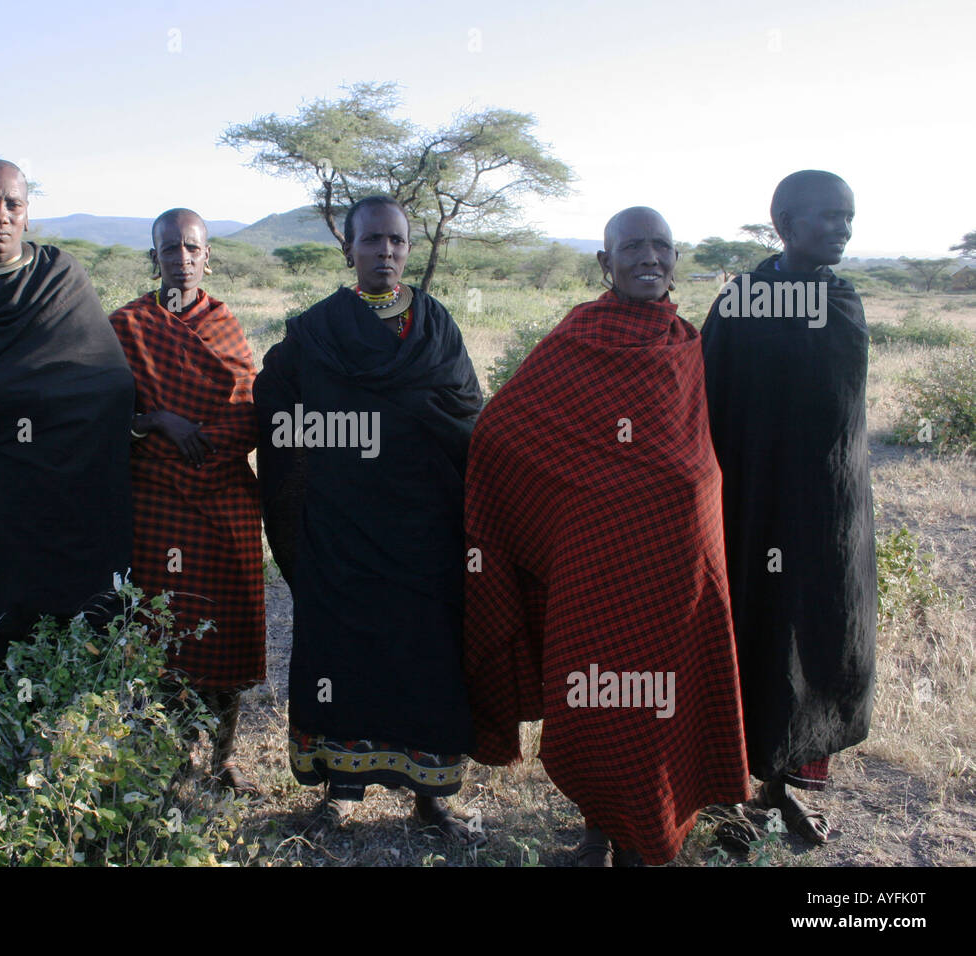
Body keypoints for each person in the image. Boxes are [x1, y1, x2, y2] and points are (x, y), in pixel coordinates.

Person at [462, 207, 750, 866]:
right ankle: (598, 829)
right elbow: (500, 430)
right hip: (598, 565)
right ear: (605, 262)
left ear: (676, 259)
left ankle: (656, 828)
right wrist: (574, 506)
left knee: (667, 698)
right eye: (633, 247)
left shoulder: (687, 341)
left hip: (682, 564)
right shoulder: (578, 338)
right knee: (597, 695)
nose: (650, 257)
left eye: (662, 247)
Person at [255, 195, 483, 843]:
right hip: (342, 525)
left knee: (429, 657)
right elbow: (274, 401)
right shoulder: (318, 329)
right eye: (372, 241)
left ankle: (432, 795)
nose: (385, 252)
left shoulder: (434, 324)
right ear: (348, 249)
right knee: (341, 653)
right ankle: (341, 789)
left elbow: (466, 410)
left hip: (426, 527)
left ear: (409, 249)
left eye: (397, 242)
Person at [700, 171, 874, 845]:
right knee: (751, 636)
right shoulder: (741, 300)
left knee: (819, 635)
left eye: (849, 218)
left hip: (826, 509)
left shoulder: (844, 299)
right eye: (828, 216)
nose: (842, 229)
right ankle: (726, 790)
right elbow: (708, 398)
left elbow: (841, 410)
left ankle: (786, 789)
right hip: (749, 505)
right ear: (785, 224)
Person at [0, 160, 135, 663]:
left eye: (12, 203)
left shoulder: (60, 276)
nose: (0, 214)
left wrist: (15, 400)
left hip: (66, 487)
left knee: (74, 623)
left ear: (28, 214)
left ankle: (71, 731)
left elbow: (109, 382)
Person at [108, 208, 265, 795]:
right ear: (154, 257)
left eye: (191, 247)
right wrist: (153, 421)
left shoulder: (226, 324)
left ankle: (222, 760)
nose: (180, 258)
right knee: (162, 633)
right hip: (155, 502)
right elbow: (100, 412)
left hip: (222, 500)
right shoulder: (125, 325)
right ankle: (167, 763)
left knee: (227, 632)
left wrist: (207, 453)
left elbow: (249, 409)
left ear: (207, 255)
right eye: (168, 248)